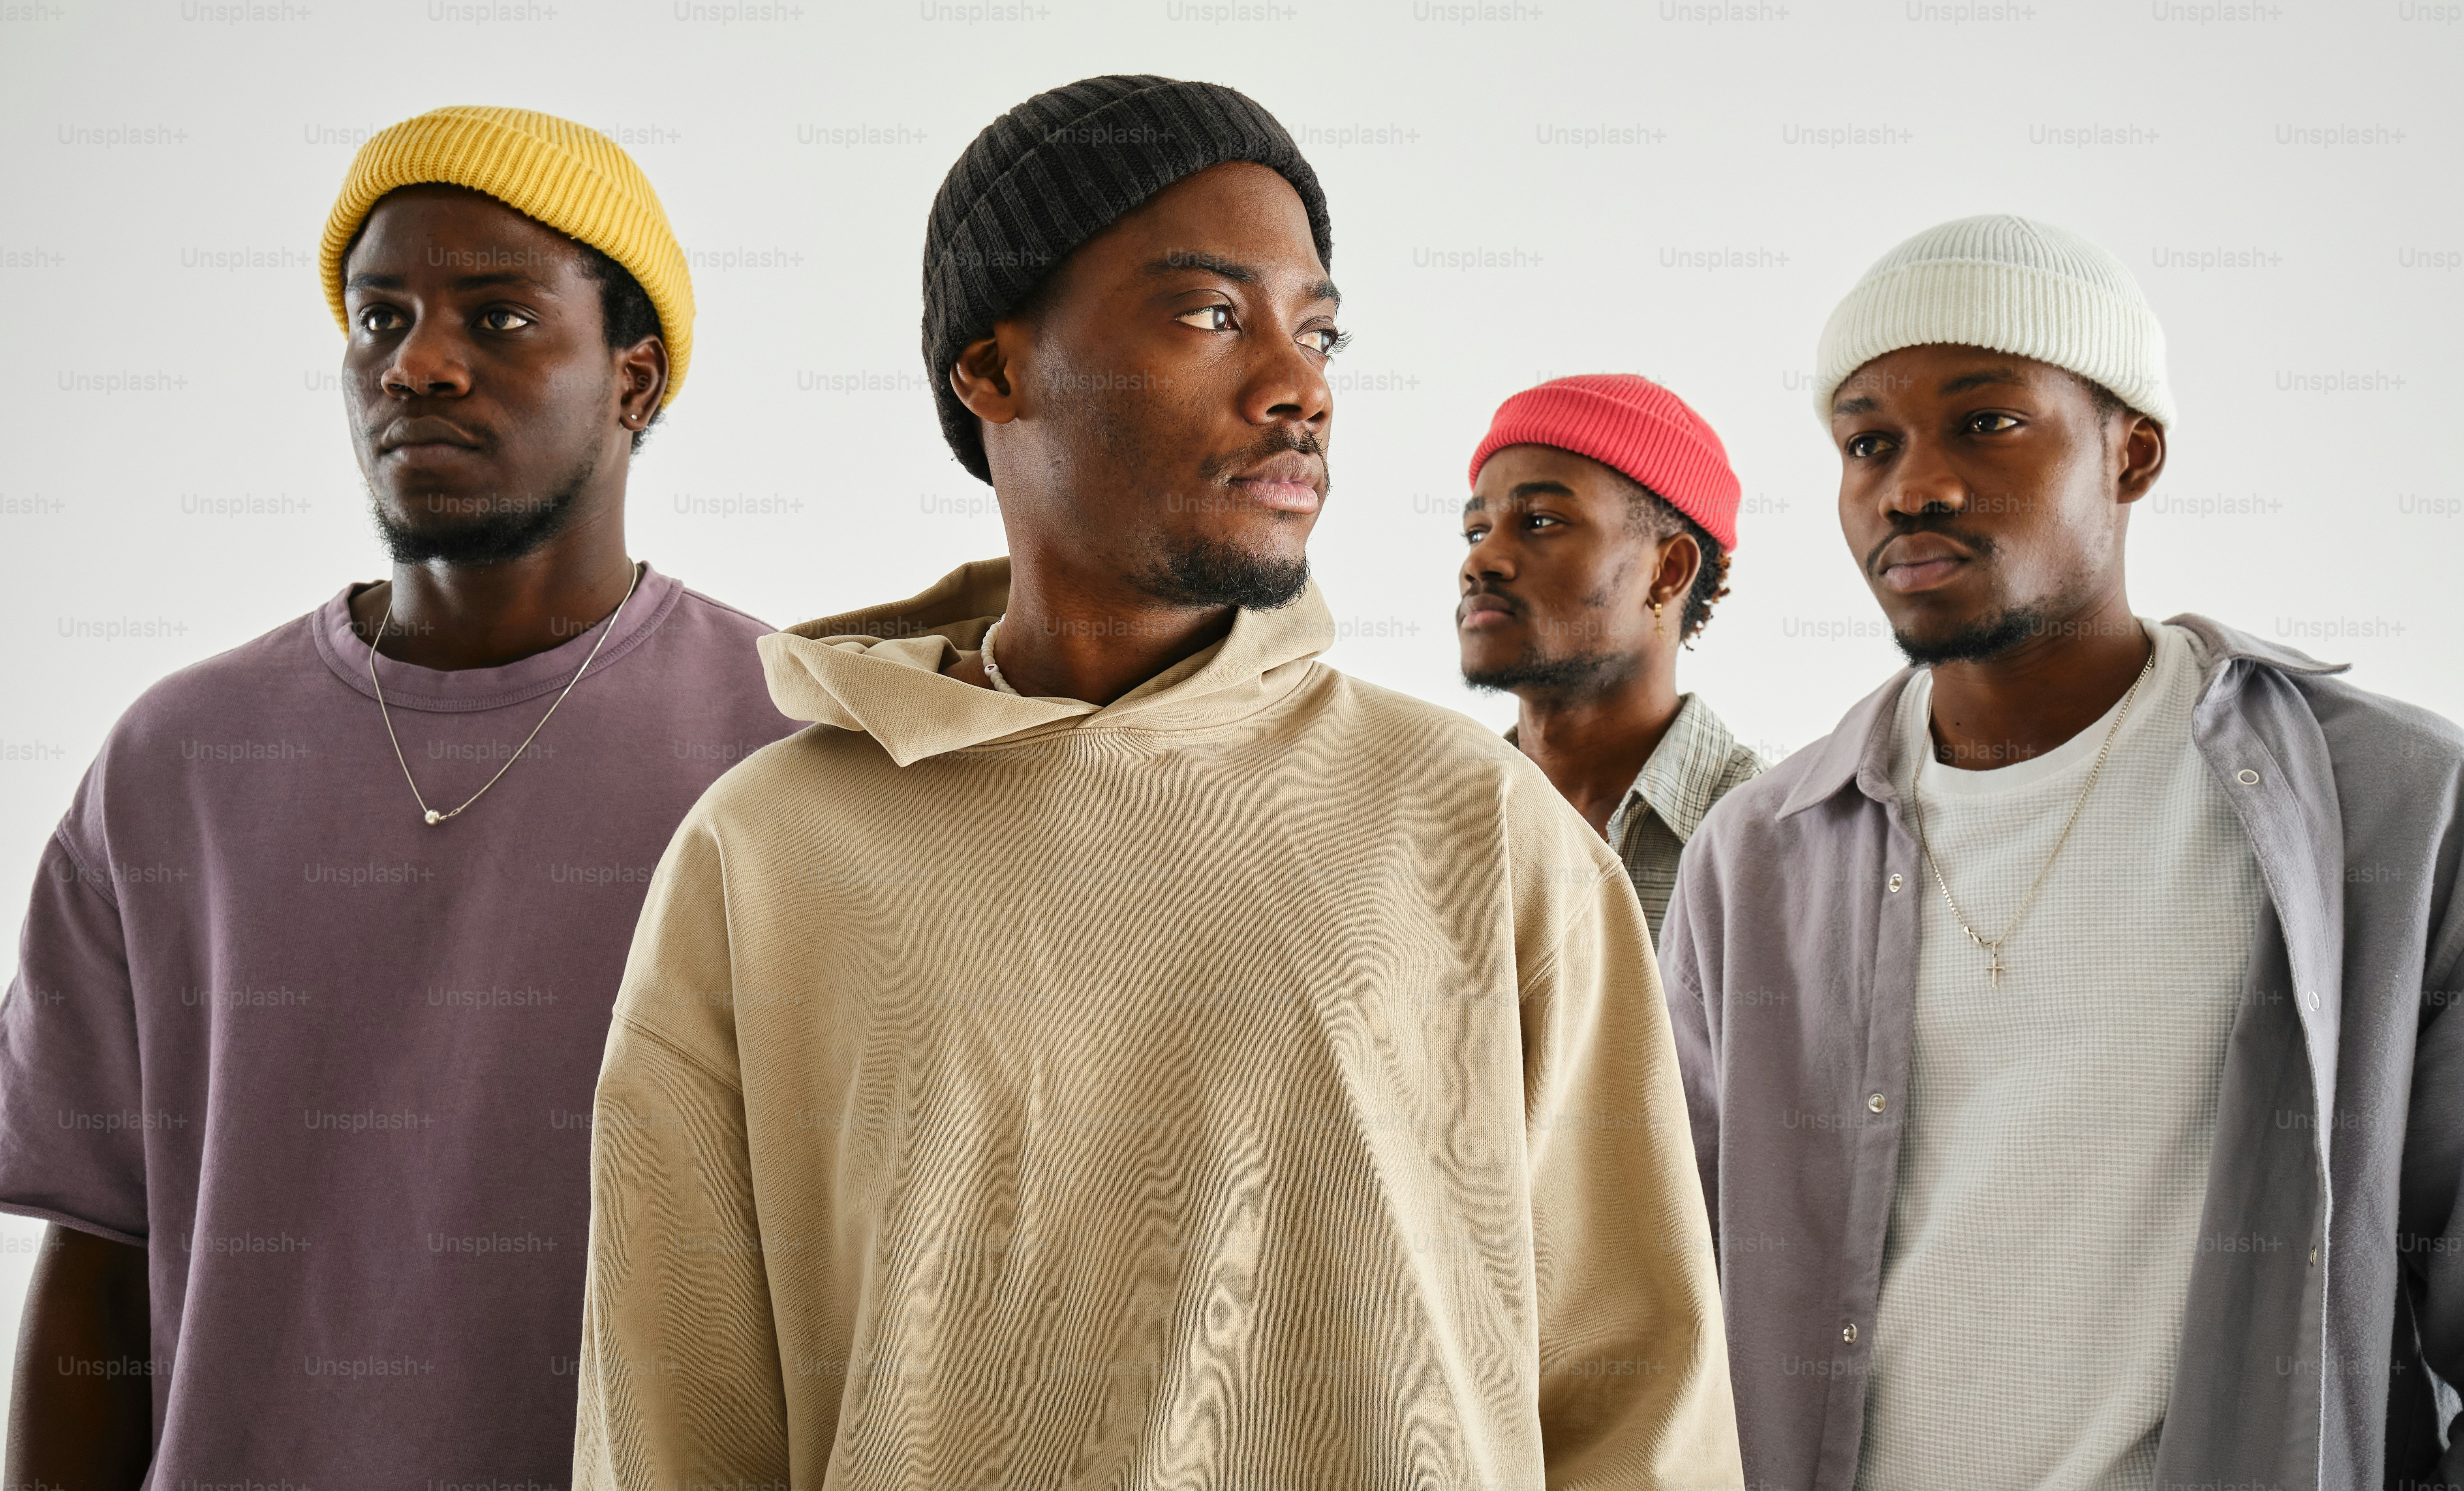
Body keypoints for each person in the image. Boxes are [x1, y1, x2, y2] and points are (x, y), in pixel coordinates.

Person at [573, 75, 1743, 1491]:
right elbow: (672, 1429)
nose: (1300, 385)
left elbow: (1643, 1415)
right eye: (1209, 314)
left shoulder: (1487, 833)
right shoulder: (762, 859)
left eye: (1318, 331)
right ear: (994, 369)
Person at [0, 106, 803, 1488]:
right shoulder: (177, 762)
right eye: (381, 319)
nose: (417, 364)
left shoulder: (783, 749)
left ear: (635, 380)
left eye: (498, 319)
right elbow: (100, 1262)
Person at [1656, 213, 2464, 1489]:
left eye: (1987, 423)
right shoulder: (1758, 856)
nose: (1913, 487)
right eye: (1870, 443)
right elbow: (1664, 1297)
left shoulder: (2388, 803)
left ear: (2131, 453)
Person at [1458, 374, 1760, 940]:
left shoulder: (1772, 838)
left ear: (1668, 572)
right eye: (1476, 532)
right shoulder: (1435, 820)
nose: (1480, 562)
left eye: (1541, 522)